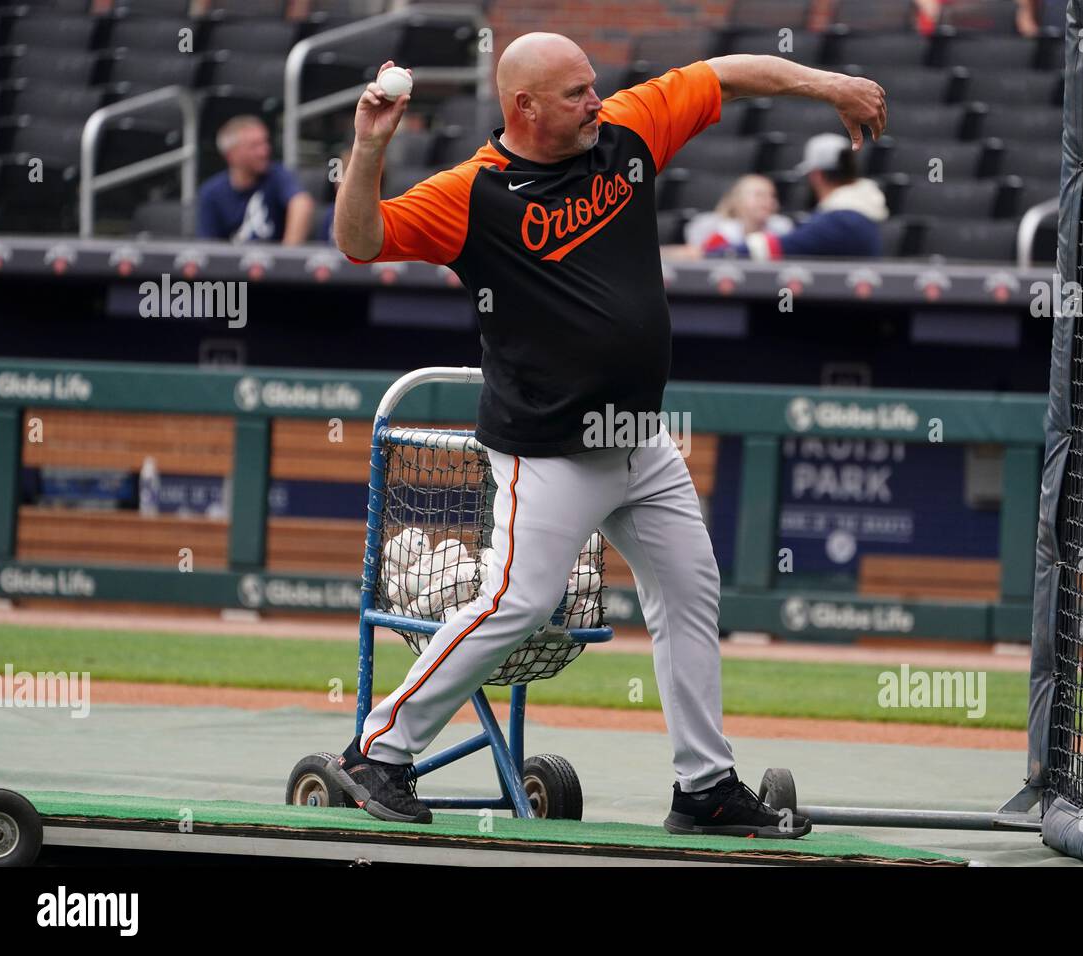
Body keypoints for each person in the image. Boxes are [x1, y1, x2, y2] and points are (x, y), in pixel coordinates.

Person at [329, 33, 886, 837]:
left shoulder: (626, 131)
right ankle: (376, 753)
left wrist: (828, 81)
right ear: (522, 105)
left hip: (639, 438)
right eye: (574, 93)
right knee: (517, 604)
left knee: (691, 591)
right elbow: (358, 240)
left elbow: (723, 72)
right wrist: (368, 148)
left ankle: (704, 787)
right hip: (546, 448)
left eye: (593, 86)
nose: (595, 100)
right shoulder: (474, 193)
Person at [698, 132, 886, 260]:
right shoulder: (855, 213)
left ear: (816, 176)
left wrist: (708, 256)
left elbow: (777, 248)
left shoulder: (842, 220)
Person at [197, 116, 313, 244]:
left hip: (273, 260)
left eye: (265, 143)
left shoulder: (277, 175)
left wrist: (288, 255)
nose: (264, 151)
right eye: (254, 146)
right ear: (231, 155)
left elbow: (301, 202)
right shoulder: (211, 192)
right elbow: (208, 246)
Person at [683, 173, 793, 253]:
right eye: (759, 195)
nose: (768, 201)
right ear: (737, 200)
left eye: (772, 196)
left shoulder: (781, 229)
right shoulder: (711, 227)